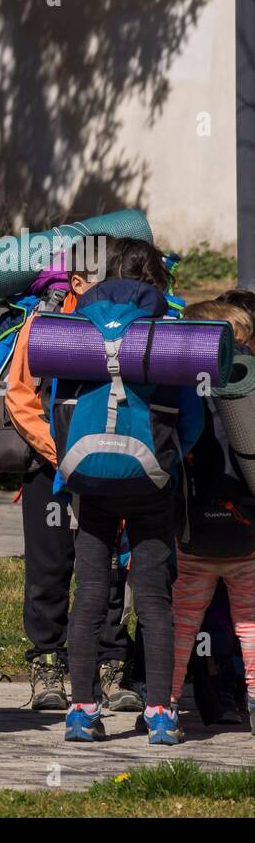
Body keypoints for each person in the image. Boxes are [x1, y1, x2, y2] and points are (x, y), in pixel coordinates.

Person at [56, 238, 202, 744]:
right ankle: (161, 713)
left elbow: (61, 401)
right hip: (151, 479)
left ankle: (81, 710)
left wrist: (76, 463)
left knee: (91, 593)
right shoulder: (167, 329)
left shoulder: (78, 325)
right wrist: (169, 458)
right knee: (155, 601)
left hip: (89, 478)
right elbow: (193, 413)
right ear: (156, 280)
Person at [5, 260, 140, 713]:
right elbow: (20, 395)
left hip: (110, 460)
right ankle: (47, 664)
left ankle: (112, 664)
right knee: (48, 568)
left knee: (110, 570)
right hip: (51, 468)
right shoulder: (44, 324)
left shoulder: (129, 322)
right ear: (77, 283)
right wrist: (59, 451)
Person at [169, 299, 255, 738]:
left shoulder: (185, 389)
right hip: (246, 533)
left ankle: (164, 707)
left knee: (182, 625)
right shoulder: (249, 389)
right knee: (251, 623)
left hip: (194, 535)